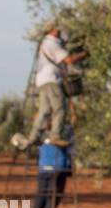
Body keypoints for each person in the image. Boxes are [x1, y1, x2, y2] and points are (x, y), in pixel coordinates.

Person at [12, 21, 84, 151]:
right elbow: (69, 60)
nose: (61, 32)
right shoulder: (52, 43)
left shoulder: (46, 42)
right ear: (53, 30)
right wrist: (84, 54)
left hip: (42, 80)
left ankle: (32, 138)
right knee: (60, 108)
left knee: (44, 111)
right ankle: (55, 136)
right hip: (52, 80)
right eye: (59, 29)